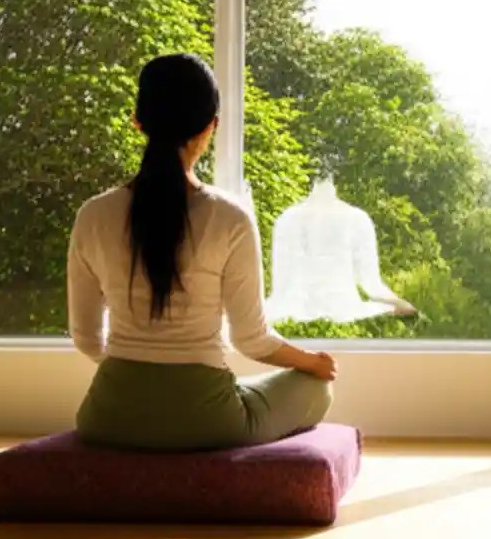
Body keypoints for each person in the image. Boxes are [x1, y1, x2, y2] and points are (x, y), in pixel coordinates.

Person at [67, 53, 336, 451]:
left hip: (108, 417)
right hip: (208, 422)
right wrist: (315, 363)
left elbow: (86, 338)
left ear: (137, 121)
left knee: (246, 386)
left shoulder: (93, 215)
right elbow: (251, 339)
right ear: (212, 124)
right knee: (316, 387)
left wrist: (141, 377)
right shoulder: (230, 218)